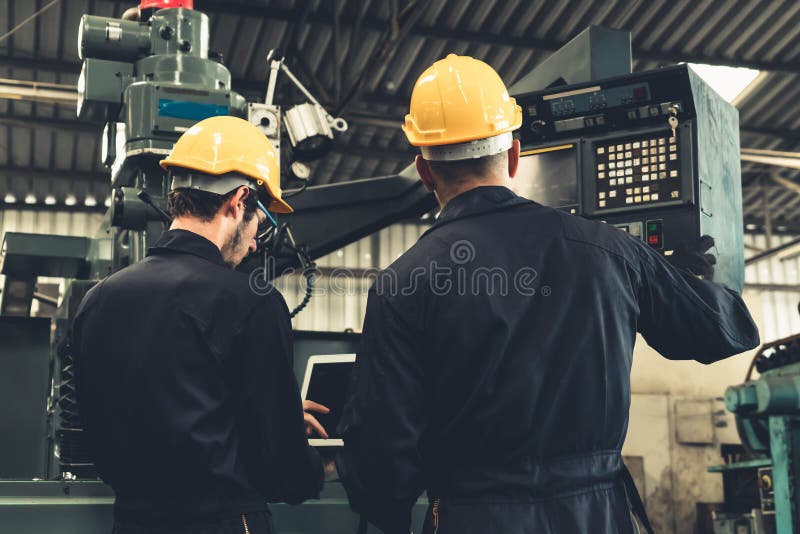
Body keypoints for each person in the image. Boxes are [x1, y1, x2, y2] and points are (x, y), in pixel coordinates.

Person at [336, 54, 760, 534]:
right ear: (515, 154)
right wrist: (686, 277)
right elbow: (726, 332)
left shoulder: (402, 284)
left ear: (424, 169)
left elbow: (378, 469)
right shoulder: (611, 252)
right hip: (595, 518)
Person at [73, 116, 329, 534]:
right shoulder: (250, 302)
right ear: (239, 200)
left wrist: (272, 414)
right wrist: (317, 465)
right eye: (260, 223)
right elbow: (281, 472)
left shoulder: (98, 301)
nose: (252, 244)